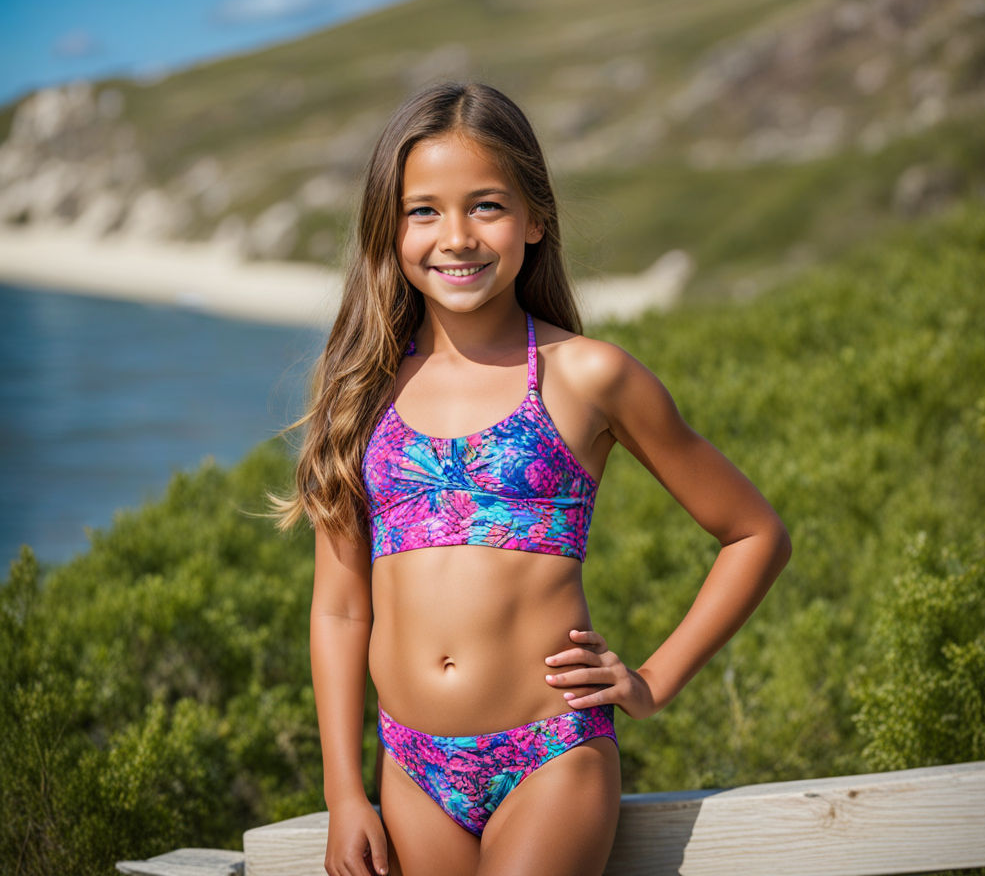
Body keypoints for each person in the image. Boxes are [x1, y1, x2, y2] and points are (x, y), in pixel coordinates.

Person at [270, 81, 790, 876]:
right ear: (389, 227)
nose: (457, 236)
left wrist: (651, 681)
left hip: (550, 753)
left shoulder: (587, 376)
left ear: (534, 219)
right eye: (424, 211)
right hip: (411, 767)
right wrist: (346, 792)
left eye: (486, 206)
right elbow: (342, 611)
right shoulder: (359, 394)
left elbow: (755, 535)